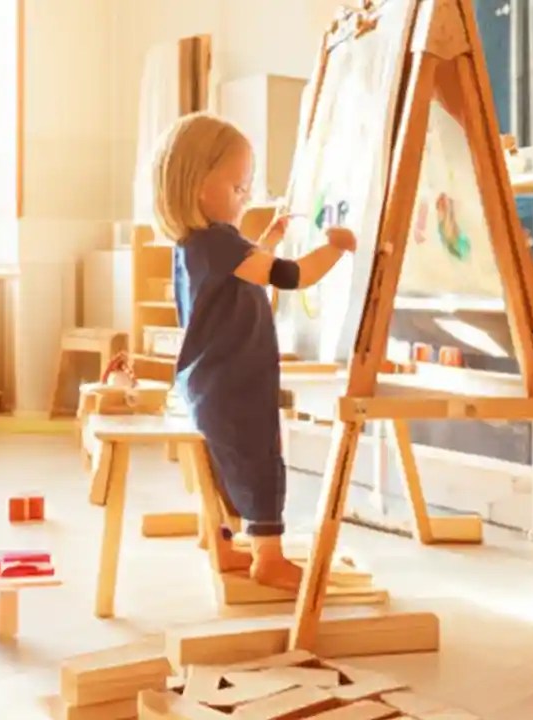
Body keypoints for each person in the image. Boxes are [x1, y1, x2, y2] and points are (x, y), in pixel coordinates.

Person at [152, 111, 356, 591]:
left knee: (226, 466)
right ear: (201, 186)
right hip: (234, 382)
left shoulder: (195, 244)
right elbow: (290, 276)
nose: (245, 198)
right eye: (238, 188)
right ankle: (268, 557)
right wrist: (336, 248)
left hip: (208, 382)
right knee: (259, 462)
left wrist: (266, 240)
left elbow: (235, 281)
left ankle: (223, 545)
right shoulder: (219, 242)